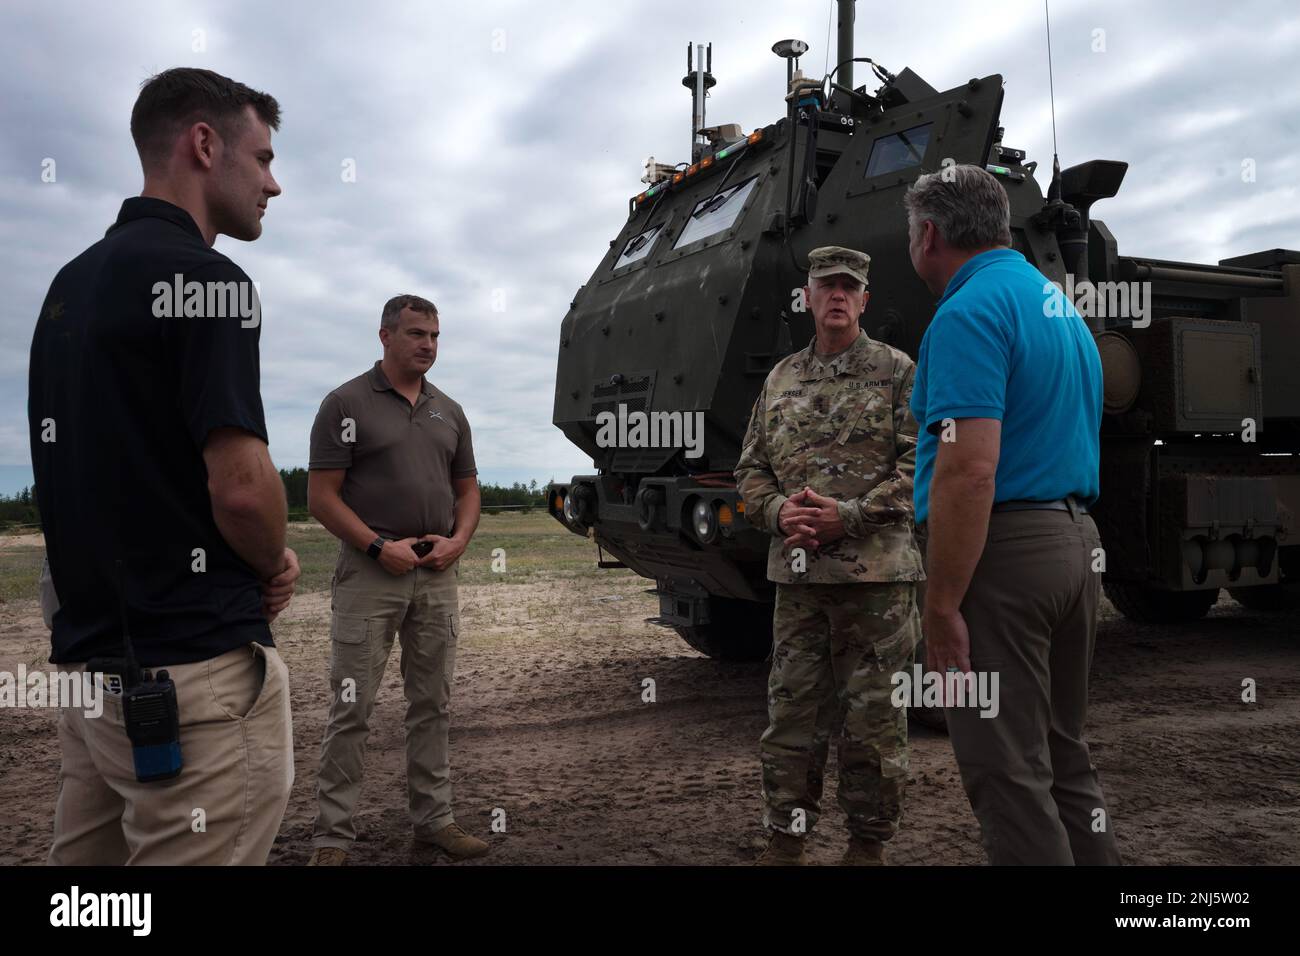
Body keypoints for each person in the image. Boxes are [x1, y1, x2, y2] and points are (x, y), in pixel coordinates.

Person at [29, 67, 297, 865]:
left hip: (91, 677)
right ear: (204, 144)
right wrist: (274, 560)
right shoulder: (213, 284)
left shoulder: (66, 288)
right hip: (192, 678)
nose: (273, 185)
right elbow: (244, 491)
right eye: (263, 158)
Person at [905, 163, 1121, 865]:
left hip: (1002, 560)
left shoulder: (967, 313)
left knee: (1007, 775)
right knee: (1064, 761)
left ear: (929, 235)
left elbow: (969, 468)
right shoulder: (1058, 310)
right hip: (1074, 547)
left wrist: (941, 607)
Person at [735, 246, 924, 865]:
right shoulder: (781, 377)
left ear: (864, 300)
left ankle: (867, 848)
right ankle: (786, 841)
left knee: (873, 723)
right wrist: (776, 513)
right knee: (791, 719)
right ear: (809, 298)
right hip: (799, 579)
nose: (838, 295)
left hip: (876, 584)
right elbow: (751, 468)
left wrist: (849, 516)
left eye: (850, 286)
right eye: (826, 286)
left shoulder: (897, 371)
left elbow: (922, 463)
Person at [305, 294, 485, 865]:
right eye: (415, 334)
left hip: (436, 573)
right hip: (369, 574)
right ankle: (333, 837)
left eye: (434, 335)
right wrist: (378, 546)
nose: (427, 344)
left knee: (433, 704)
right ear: (384, 336)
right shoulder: (345, 404)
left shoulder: (448, 411)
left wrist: (458, 541)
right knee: (351, 707)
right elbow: (320, 497)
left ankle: (434, 821)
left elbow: (468, 490)